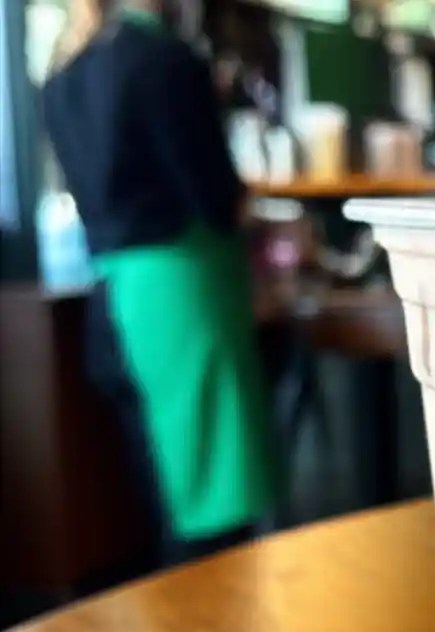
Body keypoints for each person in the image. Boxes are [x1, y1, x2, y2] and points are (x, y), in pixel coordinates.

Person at [43, 0, 279, 562]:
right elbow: (214, 196)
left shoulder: (62, 76)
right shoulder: (166, 61)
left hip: (112, 303)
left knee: (159, 500)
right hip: (183, 300)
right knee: (213, 517)